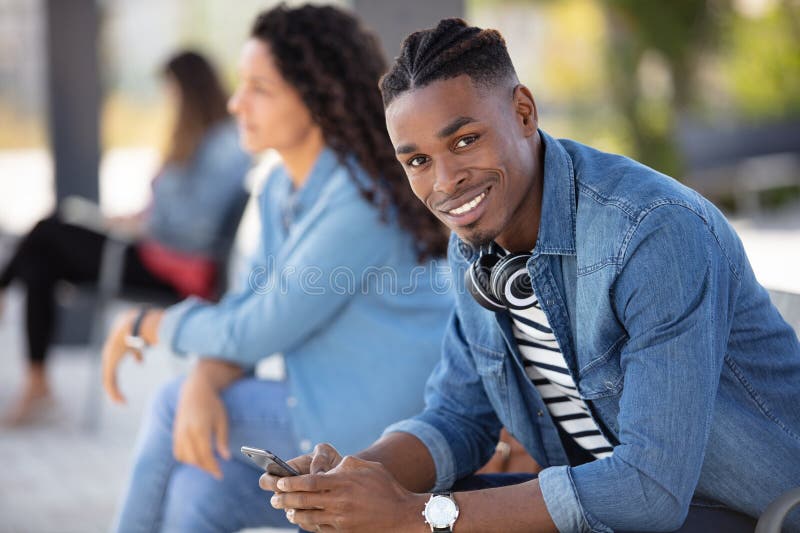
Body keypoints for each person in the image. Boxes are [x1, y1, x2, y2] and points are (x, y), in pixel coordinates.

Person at [261, 18, 800, 533]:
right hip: (607, 504)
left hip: (744, 508)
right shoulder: (474, 245)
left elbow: (651, 488)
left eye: (465, 141)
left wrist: (412, 515)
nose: (446, 182)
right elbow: (458, 417)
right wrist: (355, 481)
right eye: (418, 161)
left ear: (523, 113)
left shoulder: (650, 232)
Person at [100, 5, 452, 533]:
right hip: (319, 407)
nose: (236, 103)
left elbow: (256, 328)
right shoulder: (282, 188)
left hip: (390, 428)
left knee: (171, 405)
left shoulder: (359, 203)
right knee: (200, 487)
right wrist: (204, 377)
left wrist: (147, 326)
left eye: (259, 88)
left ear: (314, 96)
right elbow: (248, 309)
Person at [0, 50, 250, 425]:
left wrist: (142, 226)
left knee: (49, 231)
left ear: (189, 89)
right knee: (42, 256)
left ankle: (9, 308)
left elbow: (194, 227)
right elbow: (172, 208)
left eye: (171, 90)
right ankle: (37, 380)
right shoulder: (198, 139)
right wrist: (134, 218)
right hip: (154, 252)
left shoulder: (222, 145)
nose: (169, 98)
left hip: (172, 268)